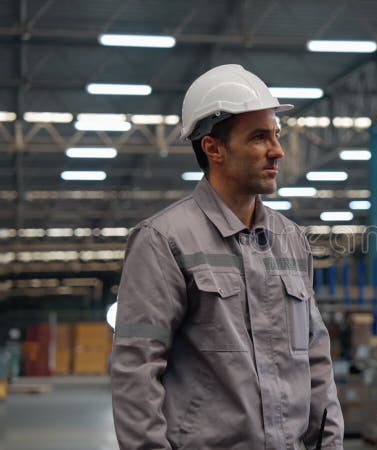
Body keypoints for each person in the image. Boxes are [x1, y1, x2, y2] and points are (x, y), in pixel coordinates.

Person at [110, 64, 344, 450]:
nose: (277, 151)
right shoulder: (163, 241)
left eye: (276, 135)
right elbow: (136, 370)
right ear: (213, 148)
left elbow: (316, 358)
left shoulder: (291, 240)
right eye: (258, 137)